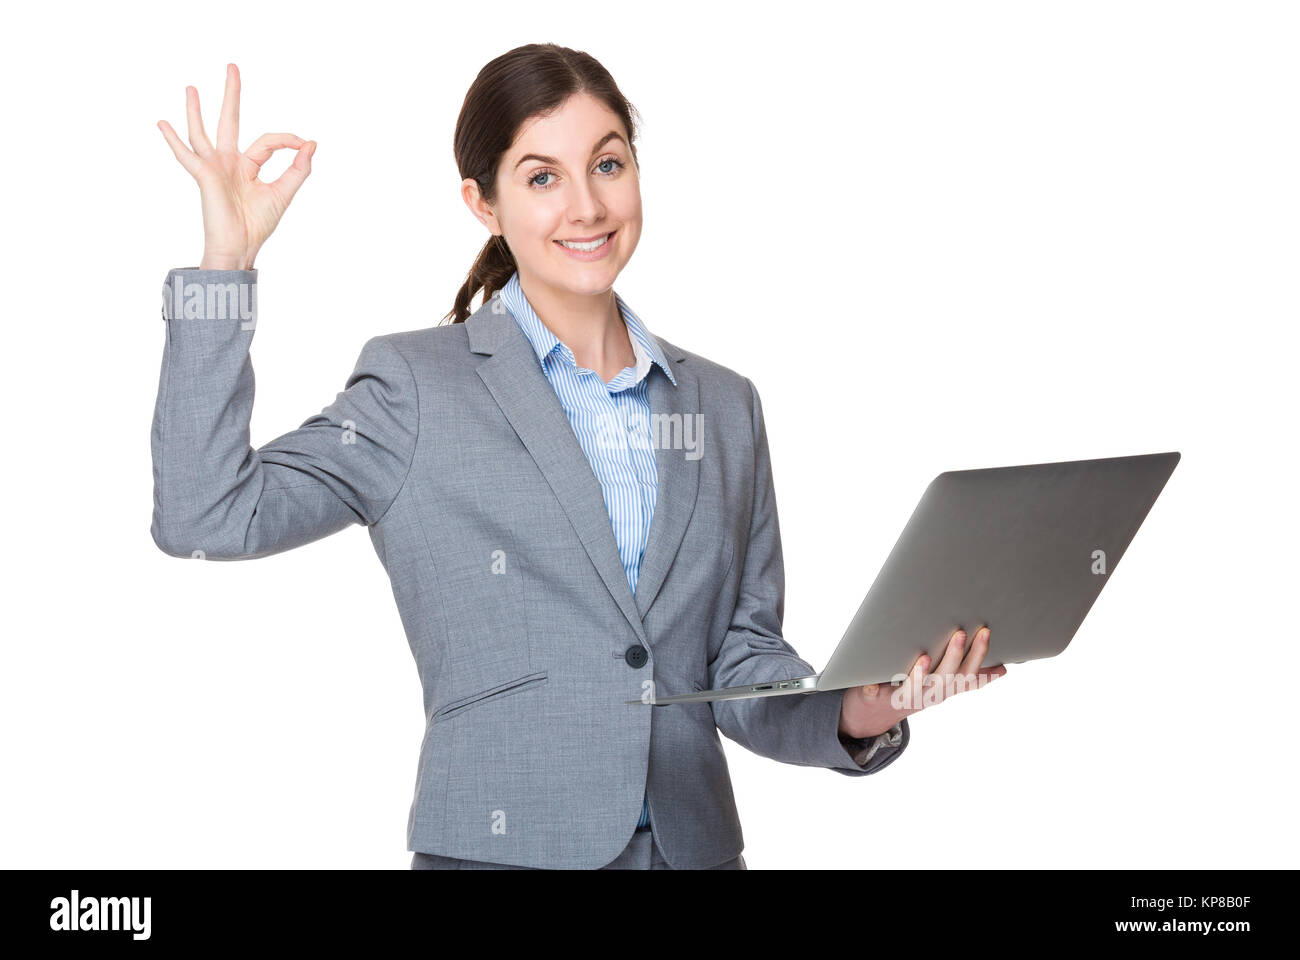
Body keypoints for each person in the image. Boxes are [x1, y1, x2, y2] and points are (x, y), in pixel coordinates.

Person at [153, 44, 1006, 871]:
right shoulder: (416, 387)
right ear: (483, 204)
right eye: (541, 177)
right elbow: (207, 514)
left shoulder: (724, 403)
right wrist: (225, 263)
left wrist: (863, 707)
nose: (587, 207)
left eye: (607, 164)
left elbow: (739, 663)